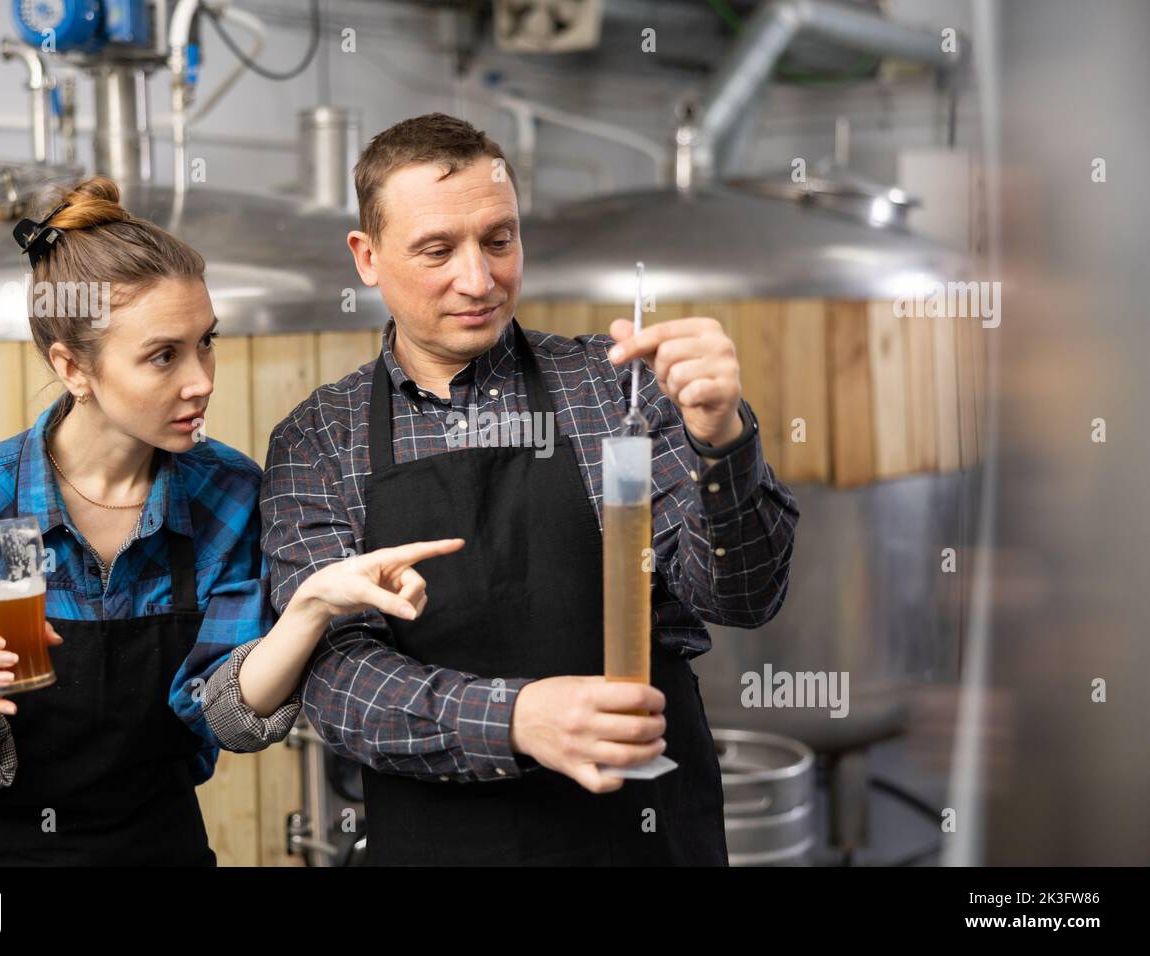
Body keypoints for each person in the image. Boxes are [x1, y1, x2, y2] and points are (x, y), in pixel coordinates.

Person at [261, 113, 801, 866]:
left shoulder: (619, 390)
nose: (478, 279)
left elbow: (742, 597)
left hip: (644, 834)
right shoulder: (319, 439)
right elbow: (335, 678)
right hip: (441, 843)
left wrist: (722, 439)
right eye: (437, 250)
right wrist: (516, 718)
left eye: (500, 239)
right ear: (368, 256)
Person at [0, 176, 460, 866]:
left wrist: (309, 609)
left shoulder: (229, 495)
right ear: (73, 368)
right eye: (164, 355)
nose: (202, 379)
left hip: (157, 849)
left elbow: (229, 720)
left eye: (205, 343)